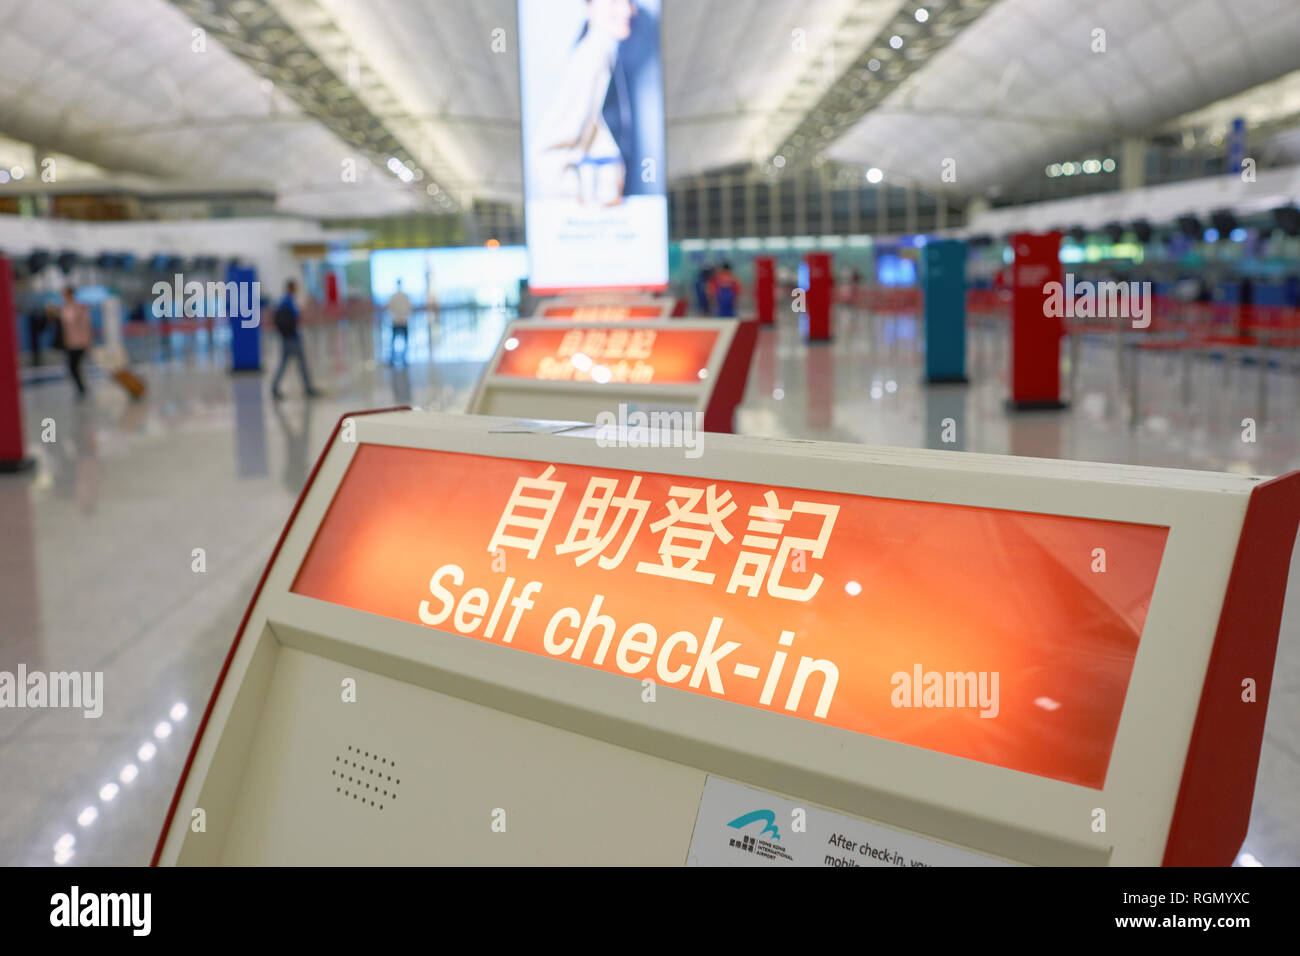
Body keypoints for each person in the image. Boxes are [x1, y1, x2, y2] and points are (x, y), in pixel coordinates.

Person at [534, 0, 639, 205]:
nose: (627, 10)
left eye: (628, 2)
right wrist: (583, 202)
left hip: (601, 213)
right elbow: (548, 148)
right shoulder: (591, 57)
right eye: (615, 3)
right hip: (593, 219)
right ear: (589, 8)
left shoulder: (602, 54)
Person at [271, 279, 320, 400]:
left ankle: (274, 387)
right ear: (292, 288)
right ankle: (308, 388)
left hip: (285, 337)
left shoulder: (282, 301)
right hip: (292, 337)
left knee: (283, 363)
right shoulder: (289, 301)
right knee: (302, 363)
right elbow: (296, 315)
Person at [58, 287, 93, 400]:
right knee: (73, 366)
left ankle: (82, 389)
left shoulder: (79, 308)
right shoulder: (64, 308)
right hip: (69, 343)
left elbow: (85, 325)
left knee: (74, 366)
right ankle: (81, 388)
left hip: (79, 342)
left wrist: (87, 341)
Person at [387, 280, 412, 365]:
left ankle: (400, 358)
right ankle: (400, 358)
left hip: (398, 321)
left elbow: (390, 308)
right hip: (400, 321)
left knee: (398, 340)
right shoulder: (403, 296)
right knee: (400, 340)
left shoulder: (395, 296)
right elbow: (409, 308)